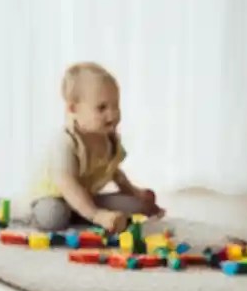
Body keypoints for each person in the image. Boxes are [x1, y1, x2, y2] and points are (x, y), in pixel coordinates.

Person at [27, 62, 164, 233]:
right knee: (53, 214)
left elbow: (114, 172)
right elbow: (68, 185)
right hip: (54, 198)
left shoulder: (108, 139)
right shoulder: (67, 142)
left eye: (116, 106)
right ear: (73, 108)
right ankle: (84, 215)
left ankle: (83, 214)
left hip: (87, 197)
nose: (112, 114)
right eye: (102, 108)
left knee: (134, 205)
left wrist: (135, 193)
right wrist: (96, 214)